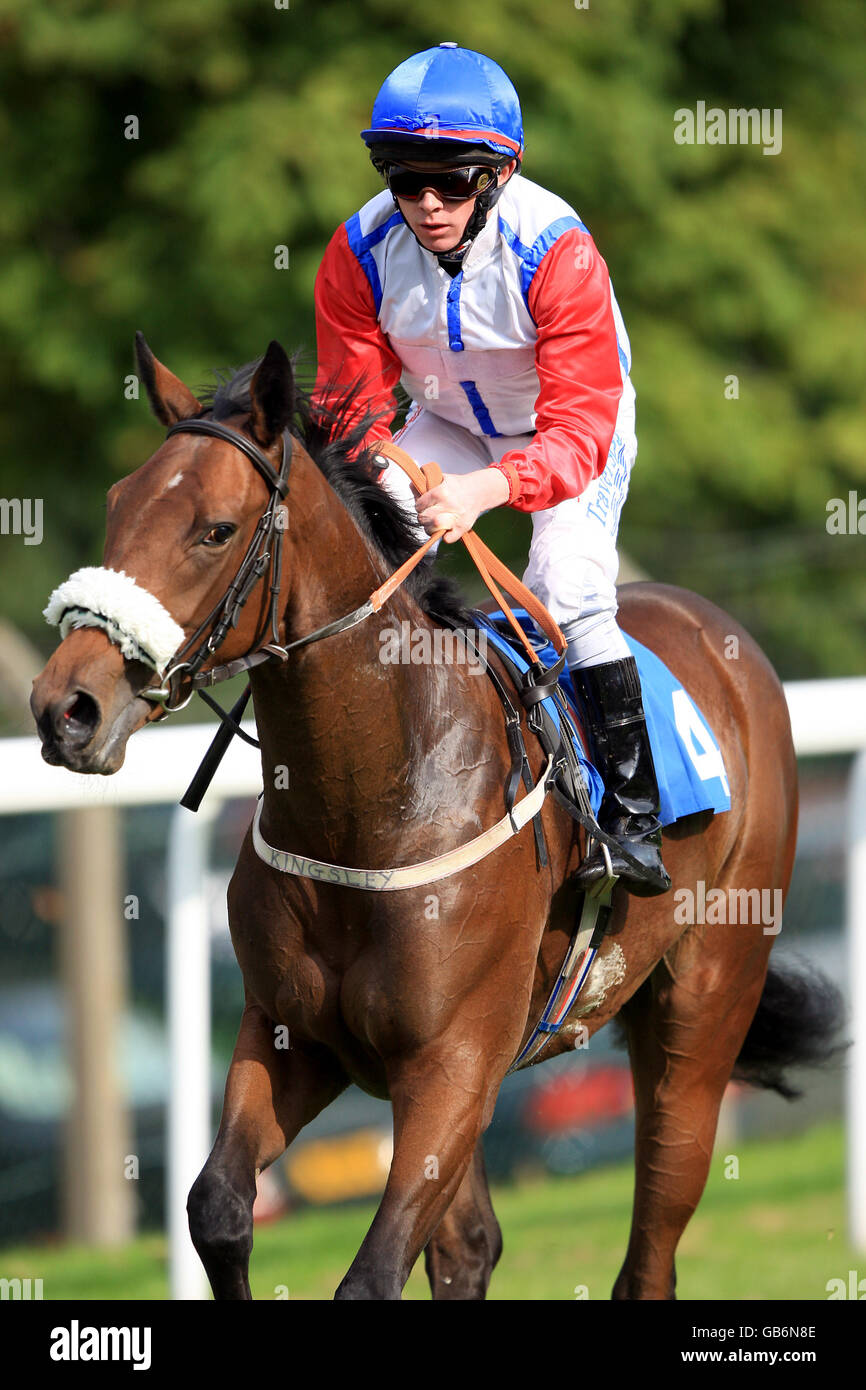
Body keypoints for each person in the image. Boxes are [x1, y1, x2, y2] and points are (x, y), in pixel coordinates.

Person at [312, 42, 670, 897]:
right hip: (441, 423)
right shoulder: (357, 250)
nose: (428, 204)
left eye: (456, 180)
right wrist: (394, 466)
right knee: (361, 543)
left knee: (568, 586)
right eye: (405, 179)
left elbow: (580, 429)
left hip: (569, 426)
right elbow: (351, 411)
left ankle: (633, 819)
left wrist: (484, 490)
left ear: (501, 174)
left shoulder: (560, 252)